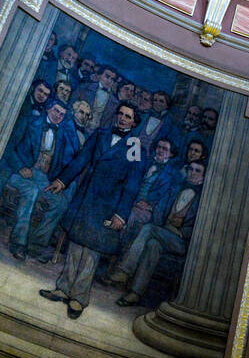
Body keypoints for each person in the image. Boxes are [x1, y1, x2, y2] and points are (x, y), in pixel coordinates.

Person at [39, 101, 143, 319]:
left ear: (134, 122)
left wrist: (121, 214)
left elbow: (133, 184)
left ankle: (79, 298)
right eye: (121, 114)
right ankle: (63, 288)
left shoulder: (134, 144)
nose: (123, 118)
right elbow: (81, 160)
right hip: (87, 195)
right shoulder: (101, 133)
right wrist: (62, 181)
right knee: (76, 242)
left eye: (128, 116)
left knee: (92, 250)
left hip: (109, 203)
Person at [112, 158, 205, 306]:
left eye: (197, 171)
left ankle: (124, 270)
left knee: (148, 229)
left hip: (181, 241)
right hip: (163, 233)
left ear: (203, 176)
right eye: (190, 169)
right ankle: (135, 293)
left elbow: (200, 227)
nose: (193, 173)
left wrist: (181, 232)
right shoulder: (175, 190)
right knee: (153, 245)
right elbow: (160, 210)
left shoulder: (203, 199)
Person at [3, 101, 75, 261]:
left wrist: (59, 180)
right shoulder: (31, 122)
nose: (58, 116)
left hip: (43, 178)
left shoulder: (62, 134)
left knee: (60, 203)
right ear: (49, 109)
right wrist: (20, 166)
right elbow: (9, 146)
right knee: (31, 192)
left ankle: (36, 244)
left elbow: (66, 161)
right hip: (20, 172)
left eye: (62, 114)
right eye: (56, 111)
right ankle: (19, 243)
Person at [118, 136, 181, 252]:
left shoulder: (172, 175)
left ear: (171, 154)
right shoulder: (145, 162)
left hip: (150, 210)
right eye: (159, 147)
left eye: (165, 149)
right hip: (132, 200)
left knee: (133, 217)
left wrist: (151, 206)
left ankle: (122, 251)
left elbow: (167, 200)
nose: (160, 151)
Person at [81, 66, 120, 130]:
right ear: (99, 75)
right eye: (107, 76)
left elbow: (110, 124)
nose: (109, 81)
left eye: (112, 79)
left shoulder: (115, 103)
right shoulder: (84, 87)